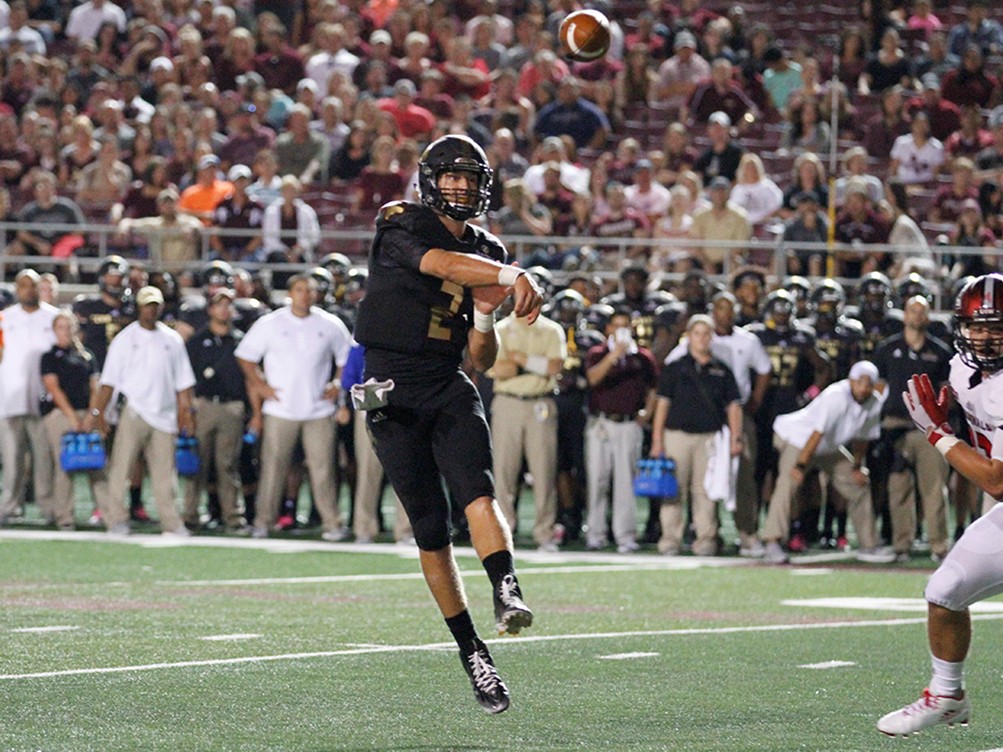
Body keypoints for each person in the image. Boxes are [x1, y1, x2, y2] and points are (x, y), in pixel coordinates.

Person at [352, 134, 543, 714]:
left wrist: (485, 313)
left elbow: (479, 361)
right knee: (431, 531)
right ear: (429, 179)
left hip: (444, 381)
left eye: (468, 177)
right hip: (390, 389)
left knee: (478, 491)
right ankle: (473, 653)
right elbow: (437, 263)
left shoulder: (487, 247)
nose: (458, 186)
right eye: (449, 175)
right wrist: (509, 277)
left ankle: (506, 588)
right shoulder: (401, 221)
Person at [876, 273, 1003, 735]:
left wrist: (937, 433)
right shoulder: (960, 369)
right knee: (944, 591)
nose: (985, 337)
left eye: (997, 326)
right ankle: (947, 695)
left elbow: (997, 480)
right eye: (976, 325)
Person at [235, 274, 352, 541]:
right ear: (290, 293)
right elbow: (245, 356)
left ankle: (332, 523)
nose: (305, 295)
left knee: (324, 470)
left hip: (318, 410)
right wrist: (261, 385)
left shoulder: (330, 324)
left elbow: (346, 357)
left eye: (310, 290)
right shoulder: (271, 323)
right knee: (273, 468)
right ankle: (263, 522)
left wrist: (337, 382)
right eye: (300, 290)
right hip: (280, 409)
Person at [763, 361, 894, 564]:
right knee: (788, 483)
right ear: (851, 381)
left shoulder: (874, 402)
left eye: (869, 383)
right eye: (860, 382)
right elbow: (817, 433)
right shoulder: (836, 395)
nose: (864, 387)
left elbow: (863, 438)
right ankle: (772, 541)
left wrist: (858, 466)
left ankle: (869, 545)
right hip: (800, 439)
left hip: (828, 446)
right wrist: (800, 465)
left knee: (858, 484)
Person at [91, 286, 197, 536]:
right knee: (121, 468)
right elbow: (108, 382)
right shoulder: (125, 339)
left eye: (155, 305)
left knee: (165, 474)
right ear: (139, 307)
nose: (152, 309)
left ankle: (171, 523)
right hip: (134, 410)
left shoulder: (172, 340)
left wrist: (187, 413)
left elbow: (183, 383)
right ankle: (116, 519)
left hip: (164, 414)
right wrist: (99, 413)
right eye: (147, 305)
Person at [652, 314, 742, 556]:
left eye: (706, 333)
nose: (702, 339)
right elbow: (662, 404)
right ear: (689, 336)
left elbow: (733, 406)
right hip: (677, 435)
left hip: (709, 437)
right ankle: (670, 539)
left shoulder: (722, 370)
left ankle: (706, 539)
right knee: (673, 490)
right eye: (697, 333)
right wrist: (657, 440)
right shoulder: (675, 367)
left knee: (706, 491)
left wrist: (736, 438)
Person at [872, 295, 952, 563]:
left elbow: (946, 393)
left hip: (928, 428)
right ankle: (901, 545)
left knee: (934, 487)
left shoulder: (940, 351)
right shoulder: (886, 349)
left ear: (928, 317)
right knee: (898, 488)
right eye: (912, 310)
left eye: (922, 311)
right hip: (895, 425)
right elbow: (878, 390)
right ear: (904, 315)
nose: (917, 316)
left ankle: (939, 545)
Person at [488, 284, 566, 551]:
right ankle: (503, 532)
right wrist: (536, 365)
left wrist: (521, 360)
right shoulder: (500, 329)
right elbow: (498, 368)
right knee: (503, 472)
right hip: (508, 403)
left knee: (544, 472)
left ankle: (544, 533)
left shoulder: (552, 329)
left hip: (540, 403)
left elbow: (556, 367)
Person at [583, 308, 658, 554]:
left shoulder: (643, 357)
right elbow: (593, 379)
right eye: (616, 325)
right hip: (601, 423)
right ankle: (595, 533)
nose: (621, 330)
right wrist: (614, 355)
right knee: (598, 479)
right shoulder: (597, 353)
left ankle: (625, 535)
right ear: (608, 329)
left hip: (628, 424)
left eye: (625, 325)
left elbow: (654, 388)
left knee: (626, 483)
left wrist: (647, 411)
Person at [182, 288, 250, 533]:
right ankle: (189, 514)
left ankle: (233, 517)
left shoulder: (241, 340)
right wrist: (187, 410)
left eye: (228, 305)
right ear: (210, 309)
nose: (224, 310)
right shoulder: (197, 341)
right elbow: (185, 379)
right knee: (196, 464)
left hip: (231, 406)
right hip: (204, 405)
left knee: (228, 465)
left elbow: (249, 378)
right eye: (219, 305)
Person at [40, 310, 112, 530]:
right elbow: (53, 387)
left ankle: (111, 515)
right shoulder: (49, 357)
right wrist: (72, 418)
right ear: (54, 330)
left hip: (86, 414)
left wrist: (93, 415)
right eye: (61, 327)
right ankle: (65, 517)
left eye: (69, 326)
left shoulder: (87, 356)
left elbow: (95, 387)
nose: (66, 331)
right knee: (65, 466)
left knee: (97, 466)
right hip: (61, 415)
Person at [0, 269, 57, 525]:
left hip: (43, 401)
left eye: (32, 285)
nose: (28, 290)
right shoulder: (4, 319)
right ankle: (10, 506)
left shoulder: (53, 317)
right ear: (16, 289)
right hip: (9, 399)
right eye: (23, 285)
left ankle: (48, 507)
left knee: (44, 459)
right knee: (12, 459)